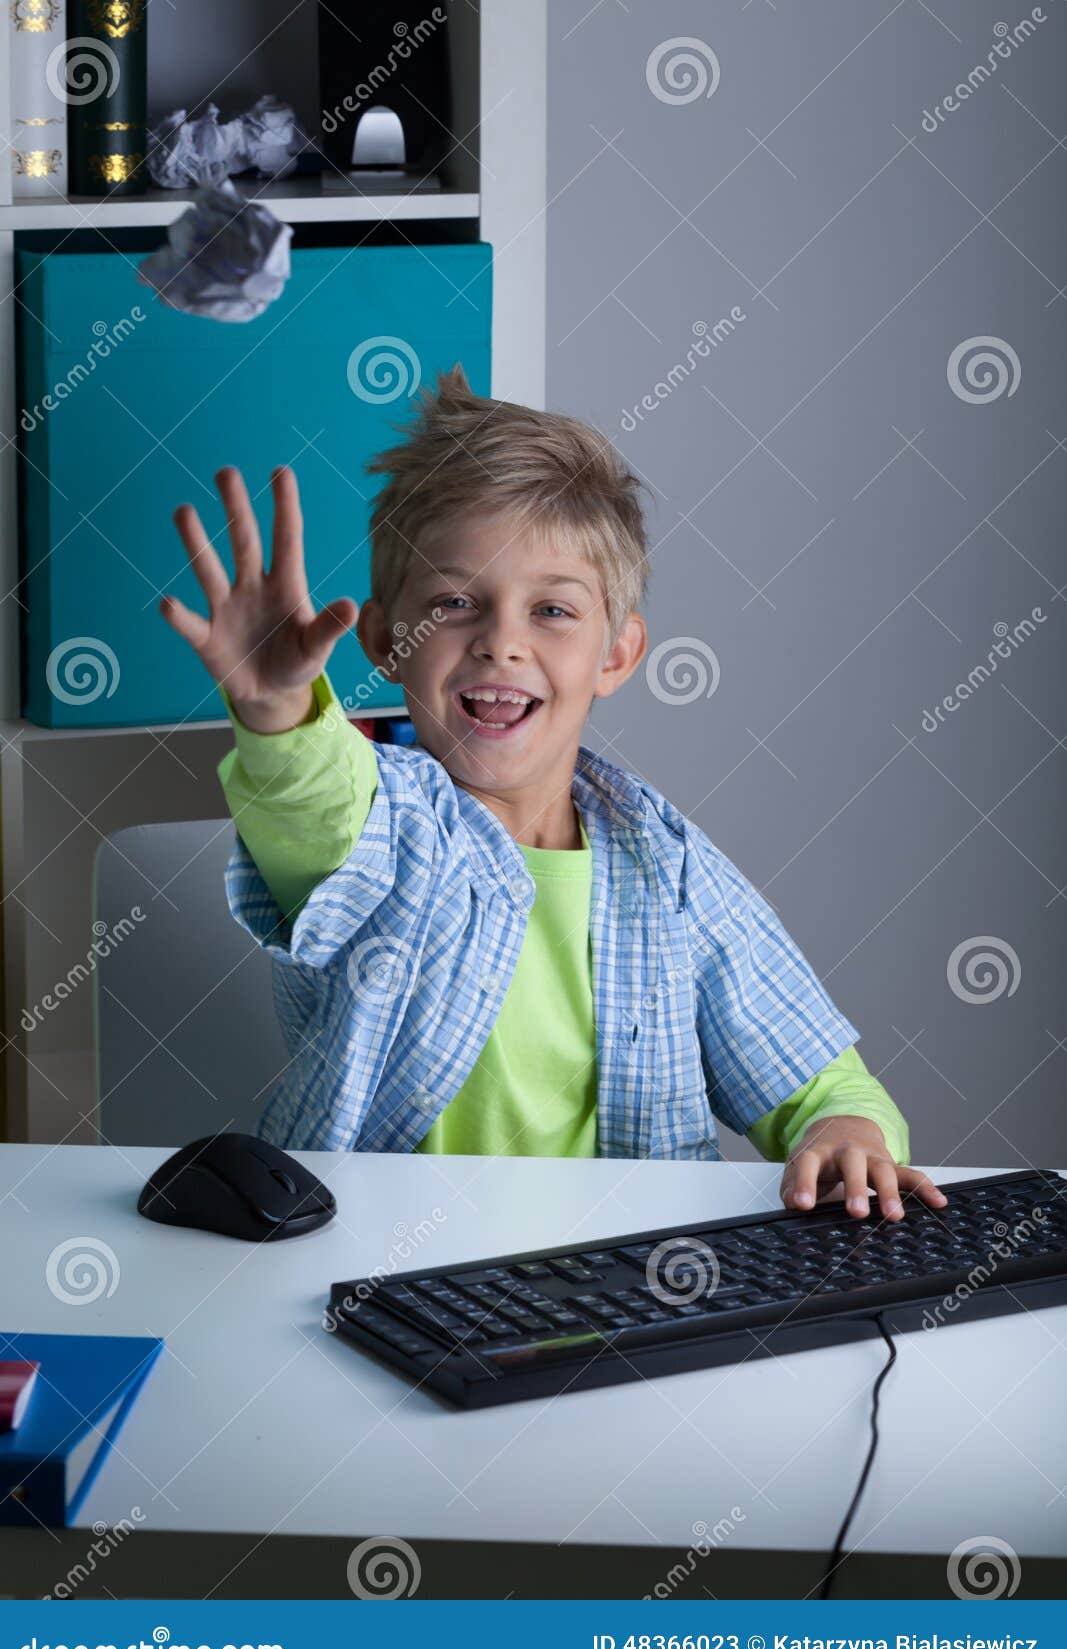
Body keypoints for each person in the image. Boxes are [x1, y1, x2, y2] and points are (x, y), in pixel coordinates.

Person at [161, 366, 946, 1222]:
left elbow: (814, 1078)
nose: (501, 642)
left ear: (616, 653)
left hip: (628, 1283)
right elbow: (310, 797)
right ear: (388, 641)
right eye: (456, 602)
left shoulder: (664, 863)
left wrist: (847, 1130)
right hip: (380, 1275)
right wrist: (276, 710)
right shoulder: (384, 824)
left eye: (553, 612)